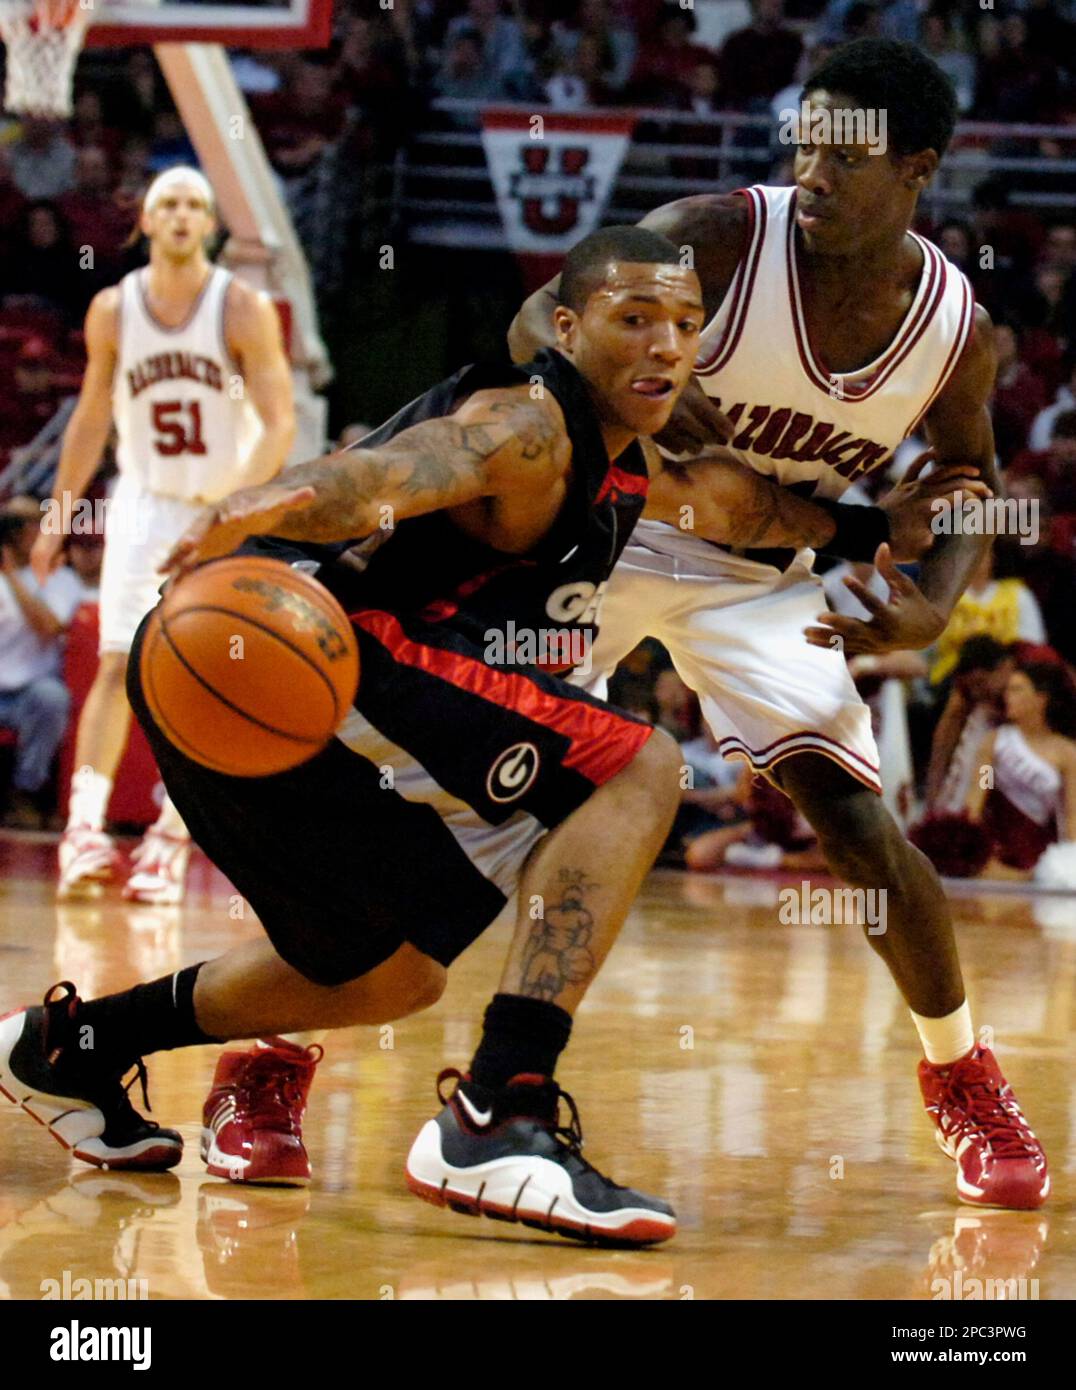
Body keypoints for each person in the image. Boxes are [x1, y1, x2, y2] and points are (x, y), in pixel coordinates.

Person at [1, 225, 813, 1242]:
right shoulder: (528, 422)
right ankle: (498, 1110)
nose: (664, 345)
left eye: (685, 326)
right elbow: (399, 471)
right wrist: (273, 496)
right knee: (633, 765)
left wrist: (879, 531)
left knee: (389, 974)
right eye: (636, 319)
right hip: (290, 645)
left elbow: (739, 508)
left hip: (263, 692)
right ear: (566, 328)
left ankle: (69, 1048)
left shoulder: (635, 471)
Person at [509, 38, 1050, 1210]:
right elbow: (526, 327)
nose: (810, 171)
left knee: (856, 826)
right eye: (801, 144)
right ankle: (278, 1054)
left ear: (915, 170)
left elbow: (970, 479)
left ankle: (961, 1073)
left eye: (842, 155)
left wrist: (932, 604)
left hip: (758, 570)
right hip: (606, 532)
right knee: (458, 788)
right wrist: (625, 376)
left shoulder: (951, 329)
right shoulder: (710, 239)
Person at [30, 167, 296, 905]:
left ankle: (171, 840)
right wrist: (58, 514)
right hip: (145, 502)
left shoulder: (241, 307)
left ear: (210, 223)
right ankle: (83, 830)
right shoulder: (114, 309)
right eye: (167, 204)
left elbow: (280, 423)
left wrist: (236, 506)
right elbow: (91, 418)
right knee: (117, 663)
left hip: (219, 505)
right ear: (145, 222)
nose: (181, 214)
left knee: (202, 679)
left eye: (194, 205)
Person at [0, 498, 82, 828]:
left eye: (29, 521)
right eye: (14, 522)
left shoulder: (60, 578)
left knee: (52, 698)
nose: (21, 530)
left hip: (30, 691)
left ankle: (26, 793)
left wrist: (11, 576)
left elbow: (48, 626)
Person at [965, 661, 1076, 876]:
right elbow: (978, 795)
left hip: (1043, 861)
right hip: (997, 859)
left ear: (1041, 699)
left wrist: (1070, 865)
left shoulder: (1067, 753)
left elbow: (1072, 816)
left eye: (1016, 689)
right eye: (1007, 690)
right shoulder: (994, 743)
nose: (1007, 696)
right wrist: (970, 848)